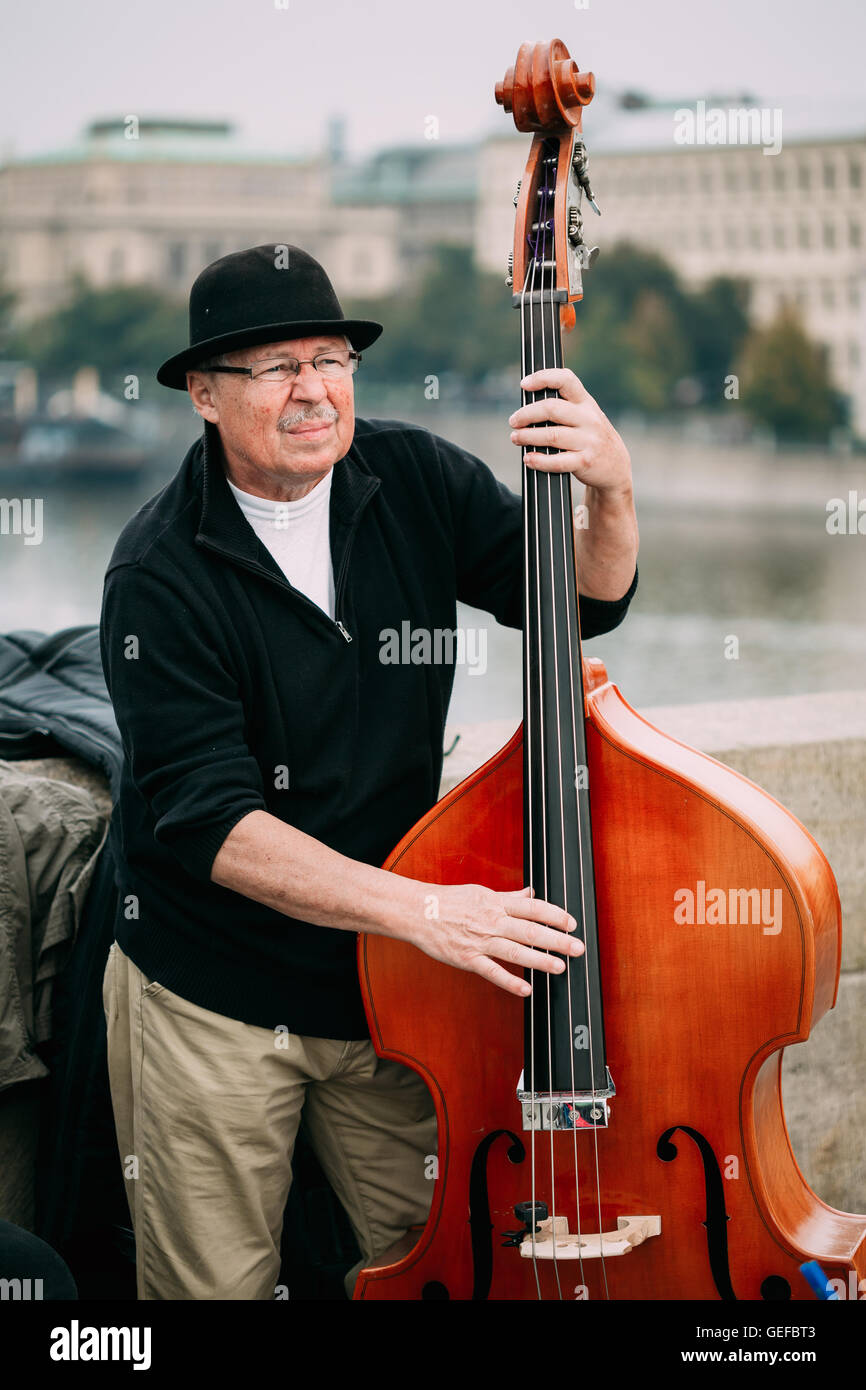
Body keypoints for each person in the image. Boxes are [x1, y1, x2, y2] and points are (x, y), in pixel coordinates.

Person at [99, 243, 639, 1301]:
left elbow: (577, 600)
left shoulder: (418, 479)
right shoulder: (155, 571)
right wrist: (430, 914)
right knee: (215, 1288)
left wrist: (610, 488)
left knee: (436, 1262)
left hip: (384, 986)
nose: (312, 389)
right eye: (273, 367)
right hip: (215, 988)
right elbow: (215, 827)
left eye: (330, 357)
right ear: (204, 396)